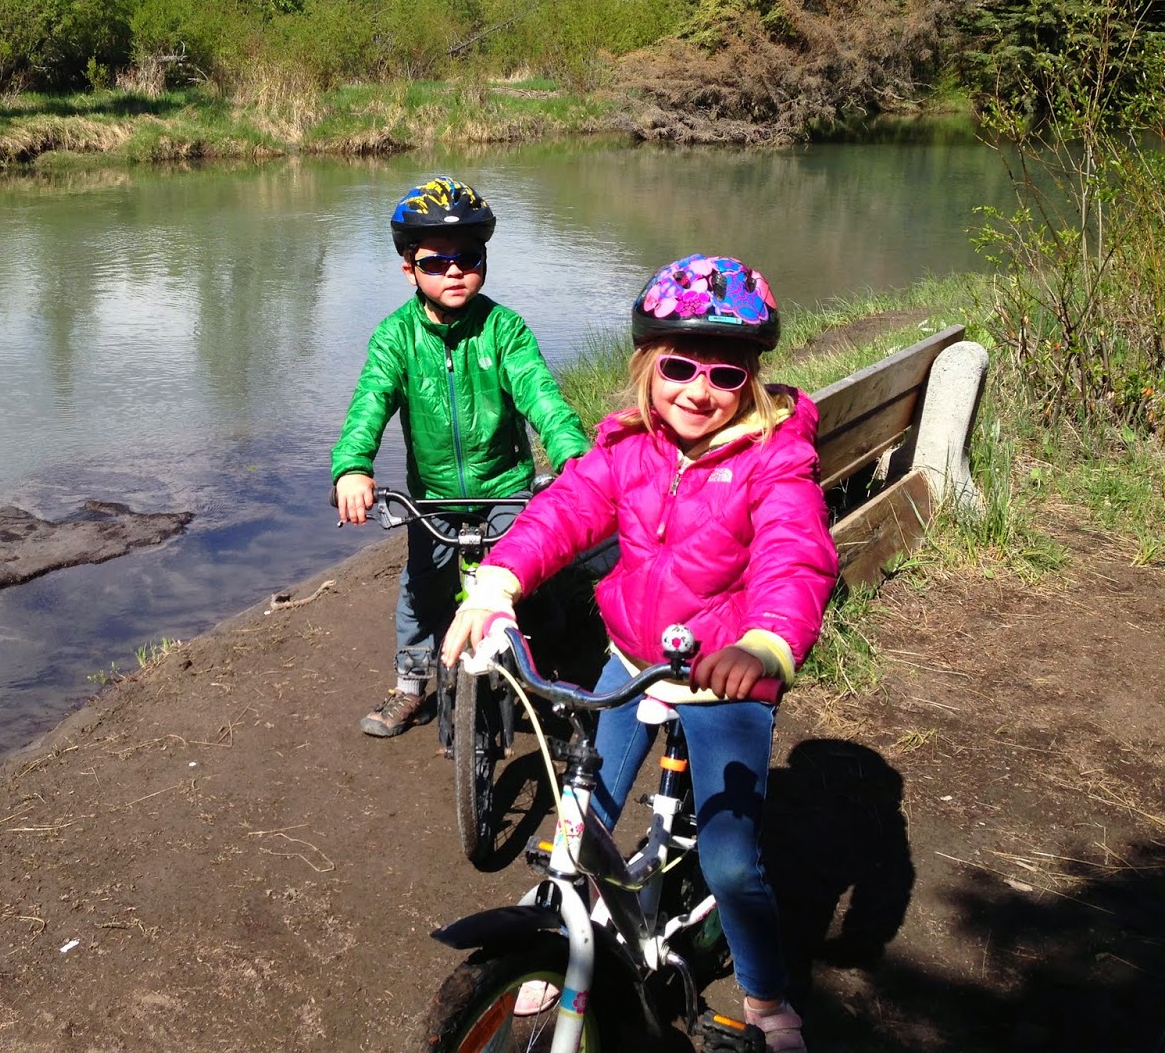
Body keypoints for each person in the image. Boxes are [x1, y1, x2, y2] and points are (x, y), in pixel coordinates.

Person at [441, 254, 838, 1051]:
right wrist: (497, 585)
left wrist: (764, 645)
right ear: (646, 367)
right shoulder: (628, 451)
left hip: (723, 678)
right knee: (577, 820)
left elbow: (795, 555)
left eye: (725, 375)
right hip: (630, 662)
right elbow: (564, 509)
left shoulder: (774, 460)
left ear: (753, 381)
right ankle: (551, 947)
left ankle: (765, 998)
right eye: (679, 366)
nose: (699, 389)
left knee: (729, 863)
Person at [332, 175, 592, 738]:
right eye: (435, 262)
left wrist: (575, 459)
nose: (453, 271)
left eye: (468, 258)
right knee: (421, 587)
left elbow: (542, 397)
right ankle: (409, 686)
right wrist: (354, 467)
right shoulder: (394, 337)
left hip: (504, 485)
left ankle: (534, 673)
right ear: (409, 269)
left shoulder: (504, 329)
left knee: (523, 575)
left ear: (484, 260)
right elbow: (369, 403)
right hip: (433, 498)